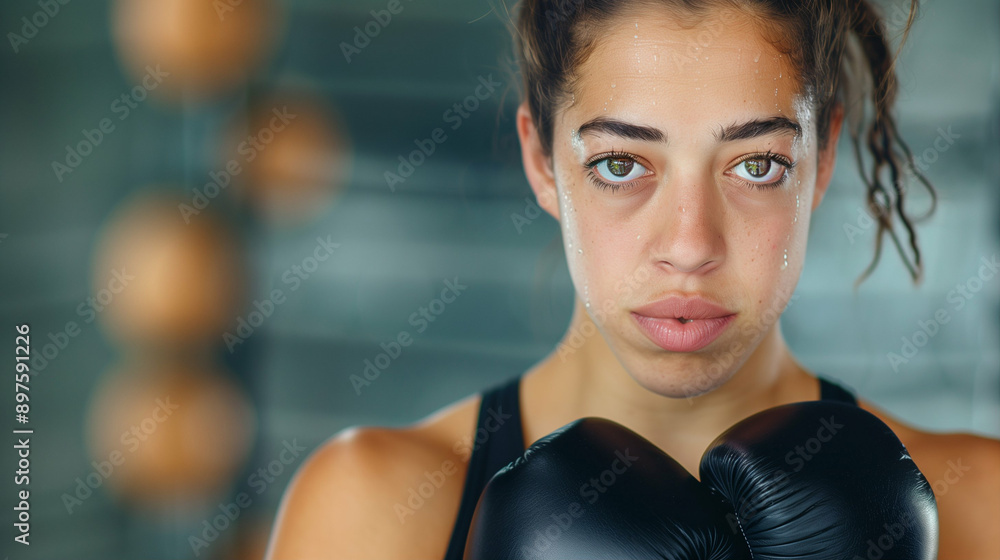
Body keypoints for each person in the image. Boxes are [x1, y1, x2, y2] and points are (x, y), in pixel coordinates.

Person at [264, 1, 1000, 558]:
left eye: (756, 164)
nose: (688, 246)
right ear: (543, 161)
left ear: (823, 158)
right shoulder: (370, 512)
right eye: (620, 164)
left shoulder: (982, 511)